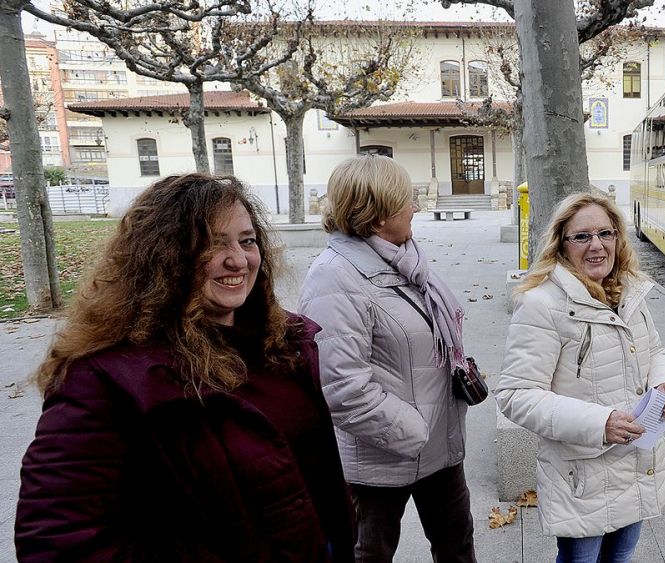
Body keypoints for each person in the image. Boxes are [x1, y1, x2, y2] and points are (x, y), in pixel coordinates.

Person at [15, 174, 356, 562]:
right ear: (164, 256)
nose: (238, 259)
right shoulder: (104, 379)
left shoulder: (282, 342)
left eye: (247, 240)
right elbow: (59, 541)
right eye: (212, 244)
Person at [299, 155, 476, 563]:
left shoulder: (407, 261)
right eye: (406, 199)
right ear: (376, 216)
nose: (415, 206)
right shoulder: (334, 277)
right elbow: (341, 388)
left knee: (458, 549)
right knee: (369, 555)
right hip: (382, 459)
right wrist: (415, 430)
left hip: (440, 449)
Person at [495, 192, 665, 563]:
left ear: (618, 237)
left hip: (635, 463)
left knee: (621, 556)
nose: (596, 246)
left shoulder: (630, 291)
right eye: (582, 237)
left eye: (605, 233)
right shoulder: (542, 305)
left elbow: (655, 352)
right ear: (562, 245)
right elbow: (515, 395)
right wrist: (601, 423)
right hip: (582, 477)